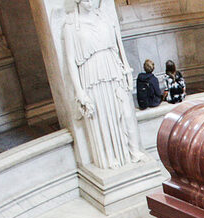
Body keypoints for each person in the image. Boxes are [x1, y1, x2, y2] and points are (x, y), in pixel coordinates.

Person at [62, 0, 146, 170]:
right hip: (92, 75)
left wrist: (126, 69)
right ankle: (111, 156)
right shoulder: (71, 27)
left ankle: (132, 151)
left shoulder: (104, 17)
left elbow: (118, 45)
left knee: (125, 113)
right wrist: (80, 92)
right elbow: (71, 61)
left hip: (113, 68)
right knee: (102, 116)